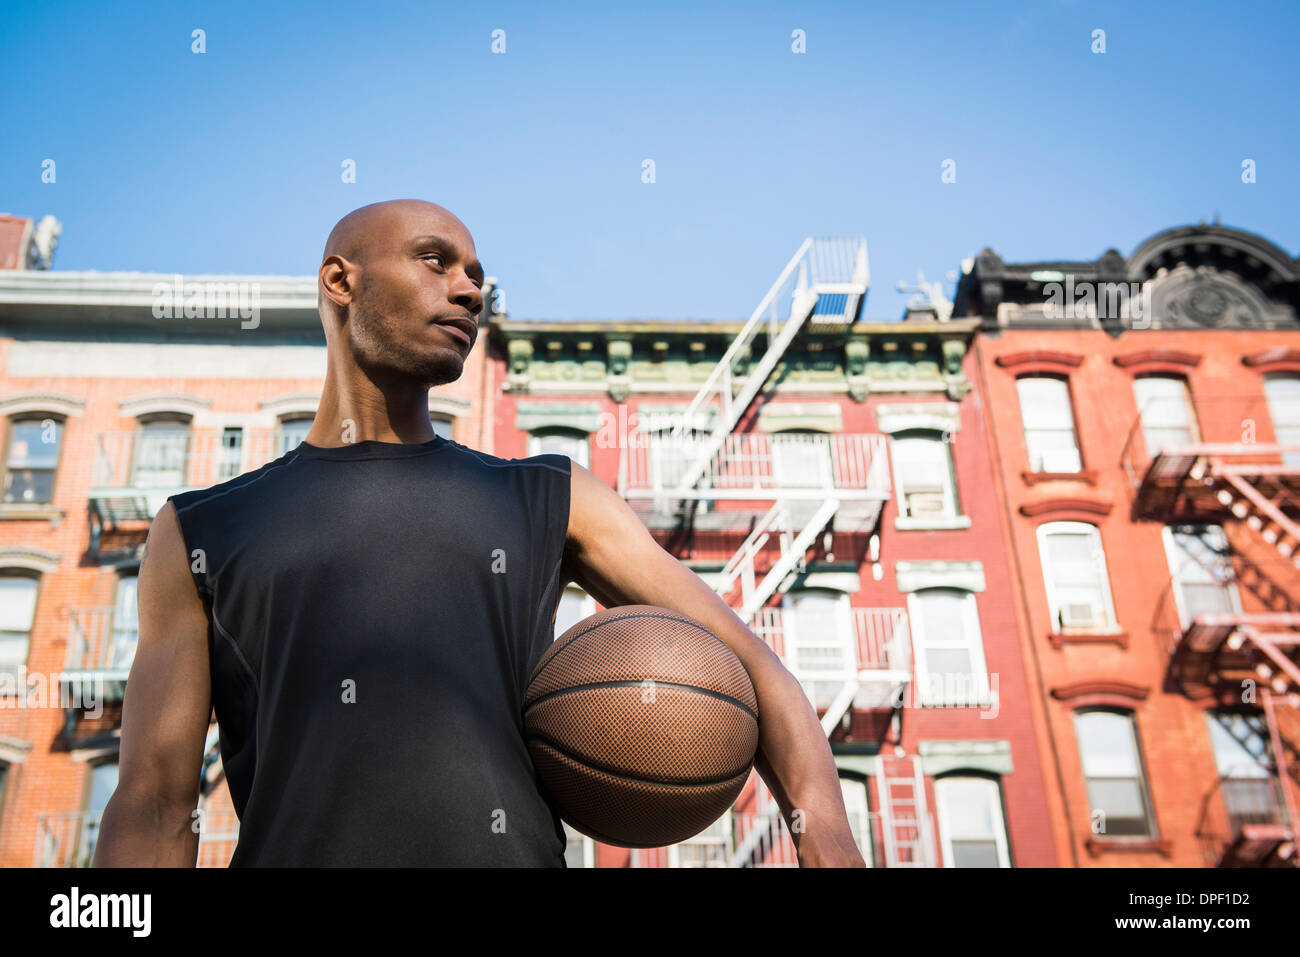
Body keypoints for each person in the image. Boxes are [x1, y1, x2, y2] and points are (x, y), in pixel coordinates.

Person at [92, 199, 865, 867]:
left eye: (476, 274)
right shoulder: (200, 528)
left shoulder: (550, 496)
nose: (470, 288)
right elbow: (156, 804)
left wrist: (822, 827)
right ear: (340, 280)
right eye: (436, 261)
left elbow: (752, 662)